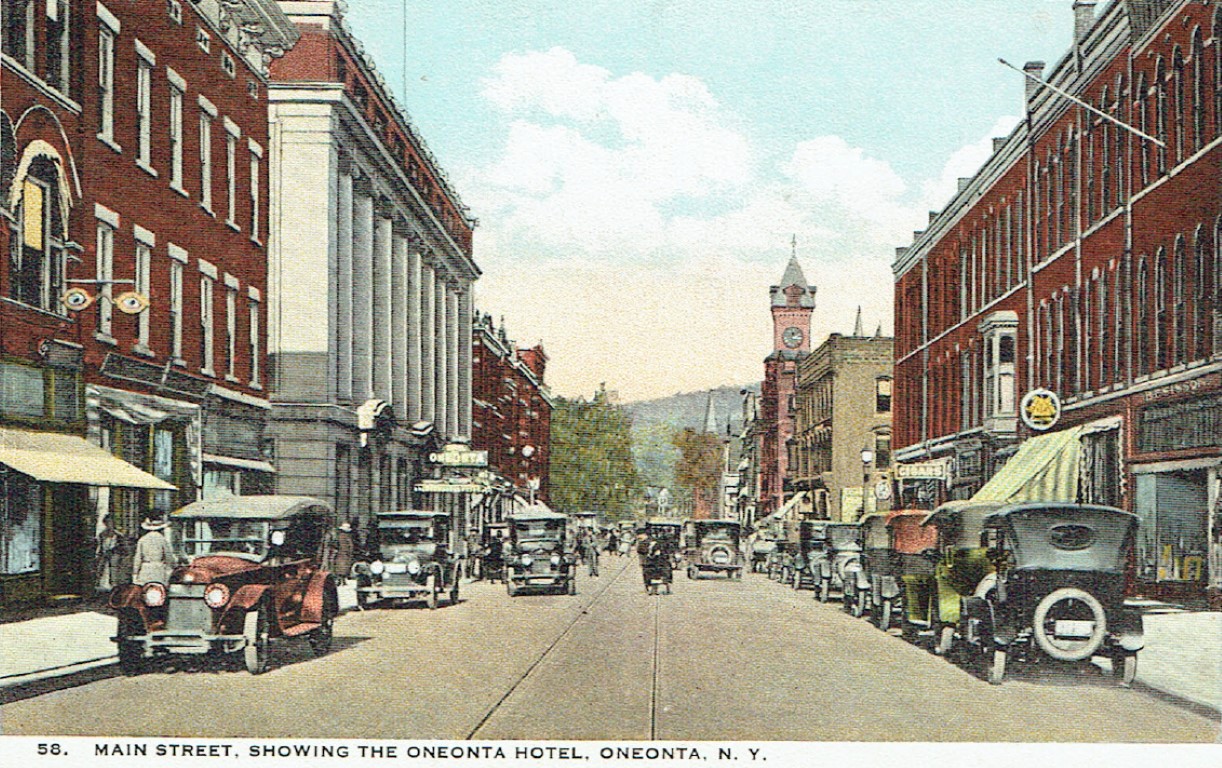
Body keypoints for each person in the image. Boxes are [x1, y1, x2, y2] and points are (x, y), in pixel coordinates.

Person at [132, 514, 174, 586]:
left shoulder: (142, 539)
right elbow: (168, 557)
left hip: (145, 570)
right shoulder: (162, 539)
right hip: (159, 571)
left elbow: (138, 558)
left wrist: (135, 573)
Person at [95, 513, 120, 593]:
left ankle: (114, 588)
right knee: (102, 571)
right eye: (108, 523)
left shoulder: (118, 535)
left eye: (111, 522)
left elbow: (122, 548)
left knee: (114, 573)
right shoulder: (102, 535)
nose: (110, 525)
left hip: (114, 557)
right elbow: (100, 547)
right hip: (105, 556)